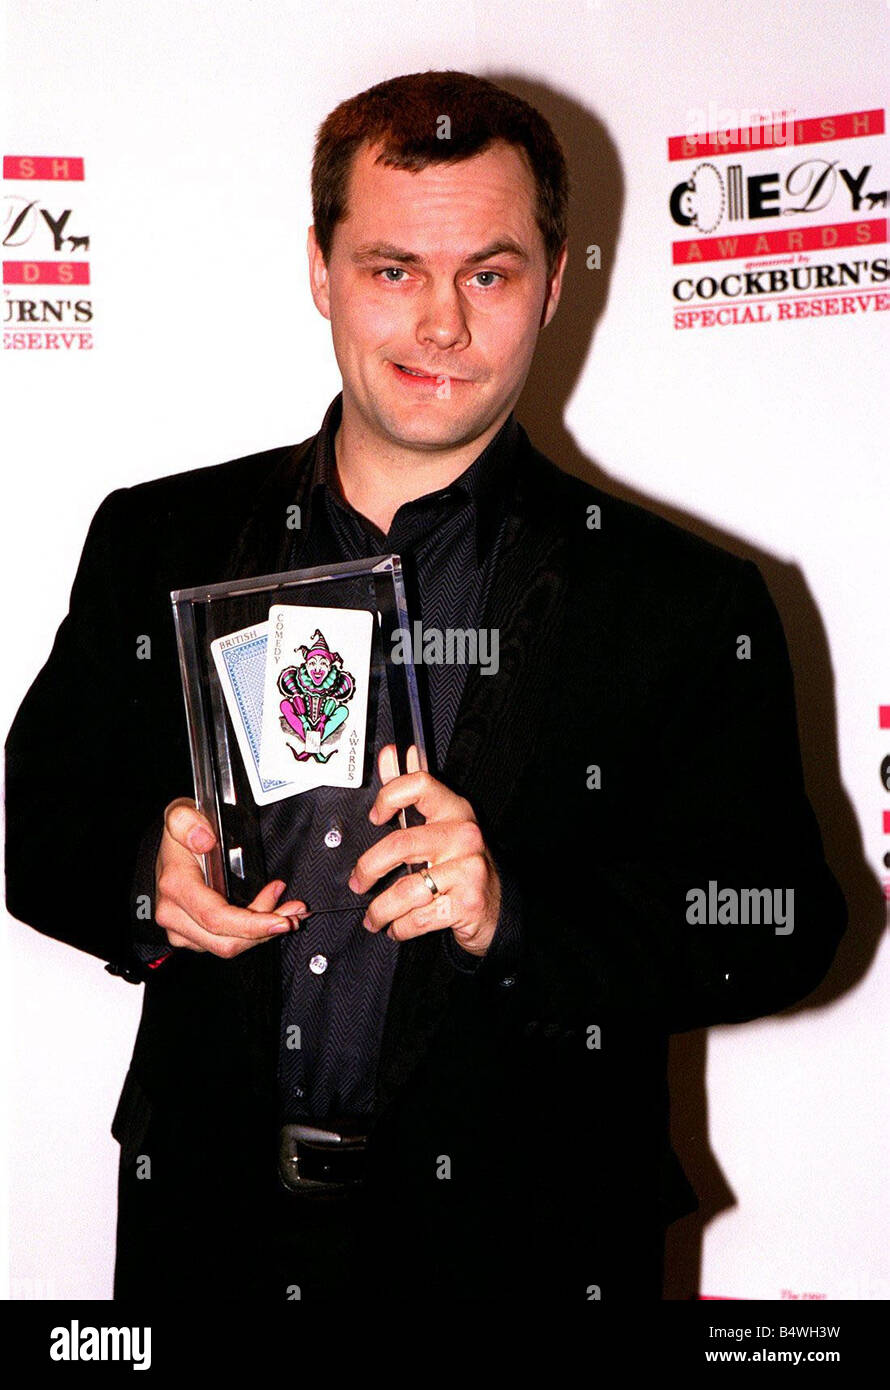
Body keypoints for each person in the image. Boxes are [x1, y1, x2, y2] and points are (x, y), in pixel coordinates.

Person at [5, 69, 847, 1303]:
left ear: (555, 282)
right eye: (393, 269)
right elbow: (35, 825)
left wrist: (518, 916)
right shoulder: (158, 539)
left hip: (525, 1257)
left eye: (488, 274)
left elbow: (780, 922)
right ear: (319, 267)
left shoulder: (682, 601)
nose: (439, 325)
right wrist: (149, 878)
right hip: (211, 1237)